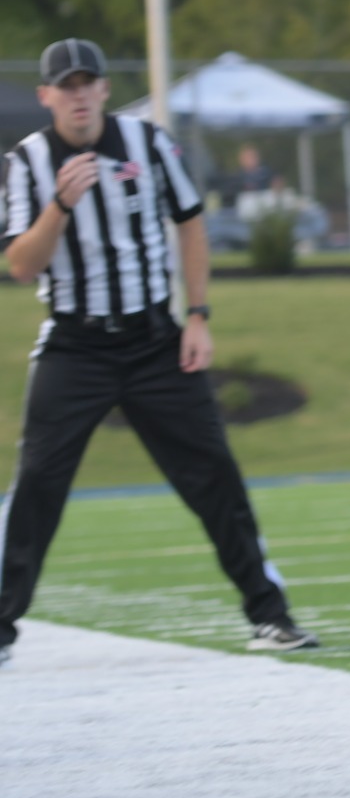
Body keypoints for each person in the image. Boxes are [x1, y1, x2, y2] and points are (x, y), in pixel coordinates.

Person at [0, 39, 316, 665]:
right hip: (75, 343)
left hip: (154, 341)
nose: (79, 95)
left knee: (215, 475)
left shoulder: (147, 143)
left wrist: (197, 315)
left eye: (88, 83)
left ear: (105, 89)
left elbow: (191, 222)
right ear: (47, 96)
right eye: (67, 86)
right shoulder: (26, 161)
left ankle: (270, 615)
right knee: (38, 481)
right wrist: (60, 205)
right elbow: (19, 265)